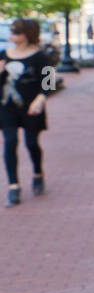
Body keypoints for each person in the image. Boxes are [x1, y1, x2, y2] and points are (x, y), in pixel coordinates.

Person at [0, 18, 55, 207]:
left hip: (32, 107)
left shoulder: (40, 57)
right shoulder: (3, 55)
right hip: (7, 107)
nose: (11, 34)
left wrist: (40, 98)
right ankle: (13, 186)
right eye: (12, 30)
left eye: (16, 31)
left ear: (26, 35)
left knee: (32, 143)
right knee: (10, 141)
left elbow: (48, 82)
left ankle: (37, 173)